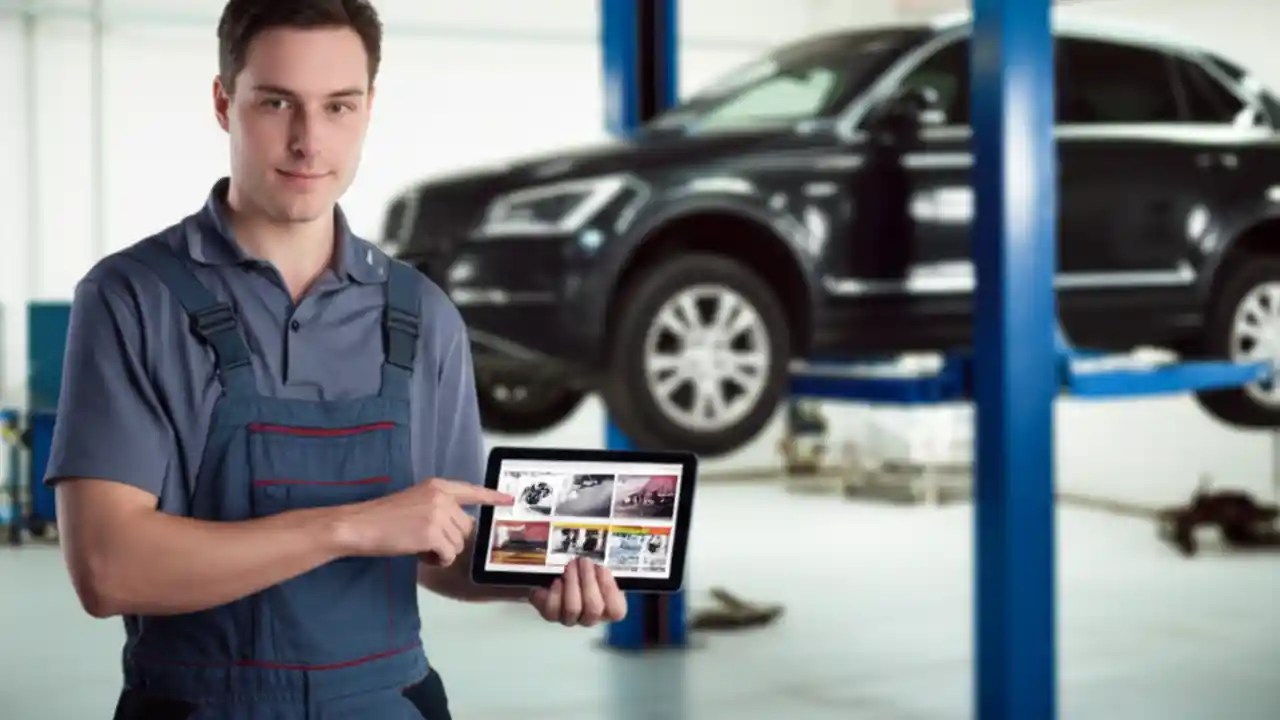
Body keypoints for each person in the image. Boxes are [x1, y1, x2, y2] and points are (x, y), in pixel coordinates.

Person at [44, 1, 628, 718]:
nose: (308, 141)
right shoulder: (131, 299)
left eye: (338, 107)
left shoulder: (423, 314)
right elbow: (108, 570)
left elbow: (438, 556)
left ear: (370, 109)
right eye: (276, 103)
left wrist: (531, 578)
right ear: (225, 102)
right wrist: (349, 526)